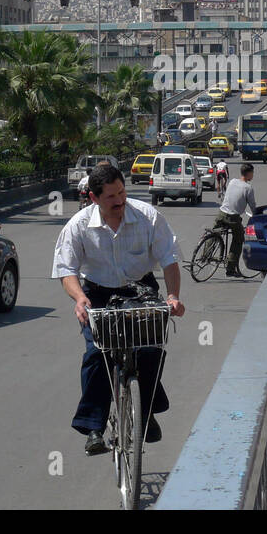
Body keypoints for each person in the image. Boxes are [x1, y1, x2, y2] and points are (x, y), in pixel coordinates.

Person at [52, 164, 186, 455]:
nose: (119, 201)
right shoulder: (78, 225)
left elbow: (170, 259)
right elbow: (66, 270)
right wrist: (78, 298)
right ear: (94, 198)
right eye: (111, 196)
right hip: (97, 294)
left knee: (150, 348)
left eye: (122, 192)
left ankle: (145, 412)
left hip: (140, 290)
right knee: (96, 354)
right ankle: (94, 428)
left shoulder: (148, 217)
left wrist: (173, 295)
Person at [216, 162, 257, 278]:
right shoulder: (248, 188)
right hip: (233, 217)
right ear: (248, 173)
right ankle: (230, 268)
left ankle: (206, 254)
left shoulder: (232, 181)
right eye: (252, 173)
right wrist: (256, 217)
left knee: (214, 233)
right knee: (238, 239)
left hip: (221, 213)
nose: (253, 175)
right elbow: (253, 206)